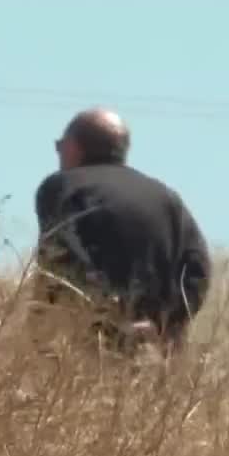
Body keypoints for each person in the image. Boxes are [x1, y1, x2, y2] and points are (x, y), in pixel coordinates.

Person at [29, 107, 211, 356]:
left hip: (87, 346)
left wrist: (102, 319)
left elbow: (62, 253)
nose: (59, 152)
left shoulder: (63, 186)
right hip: (154, 349)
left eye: (60, 145)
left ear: (74, 147)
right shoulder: (166, 197)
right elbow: (197, 268)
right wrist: (164, 323)